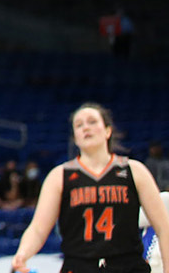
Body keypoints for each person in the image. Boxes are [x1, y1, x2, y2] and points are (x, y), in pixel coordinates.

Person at [11, 103, 169, 273]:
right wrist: (23, 253)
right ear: (75, 137)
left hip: (127, 266)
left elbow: (163, 226)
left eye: (92, 122)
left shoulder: (134, 171)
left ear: (108, 130)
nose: (86, 127)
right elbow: (38, 229)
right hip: (79, 266)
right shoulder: (59, 177)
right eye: (79, 125)